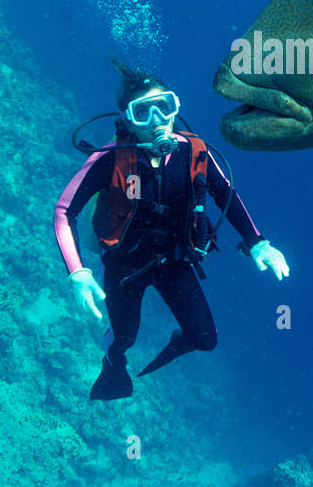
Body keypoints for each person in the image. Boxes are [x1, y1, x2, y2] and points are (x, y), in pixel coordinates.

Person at [53, 60, 290, 400]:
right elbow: (64, 211)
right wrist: (77, 272)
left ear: (174, 107)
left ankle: (177, 343)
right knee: (124, 339)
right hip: (125, 266)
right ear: (128, 120)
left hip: (175, 261)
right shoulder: (109, 159)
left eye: (164, 107)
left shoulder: (195, 151)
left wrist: (258, 244)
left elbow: (226, 195)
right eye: (143, 113)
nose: (157, 121)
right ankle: (112, 363)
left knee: (205, 339)